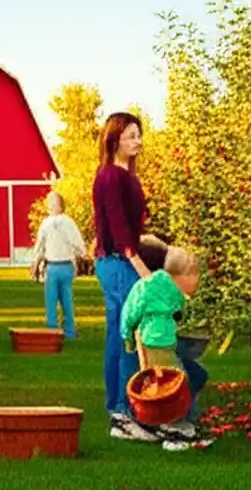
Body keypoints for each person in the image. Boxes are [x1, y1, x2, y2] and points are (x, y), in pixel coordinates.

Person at [92, 111, 160, 442]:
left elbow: (132, 226)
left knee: (119, 336)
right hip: (119, 263)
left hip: (121, 260)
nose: (138, 141)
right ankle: (123, 413)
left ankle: (119, 409)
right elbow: (119, 228)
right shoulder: (109, 176)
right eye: (131, 135)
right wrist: (142, 269)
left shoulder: (126, 176)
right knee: (127, 337)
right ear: (114, 139)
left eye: (139, 135)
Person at [120, 246, 204, 443]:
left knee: (160, 379)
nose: (196, 283)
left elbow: (130, 312)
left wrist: (128, 336)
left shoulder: (146, 285)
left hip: (149, 339)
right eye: (195, 277)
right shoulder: (172, 292)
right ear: (183, 275)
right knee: (168, 383)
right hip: (160, 340)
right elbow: (180, 312)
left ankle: (162, 420)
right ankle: (168, 424)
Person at [33, 192, 87, 338]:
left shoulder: (46, 223)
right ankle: (69, 330)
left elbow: (39, 246)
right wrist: (83, 253)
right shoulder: (68, 222)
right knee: (67, 299)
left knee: (51, 301)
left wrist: (35, 263)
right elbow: (76, 241)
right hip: (66, 265)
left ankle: (52, 330)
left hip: (52, 266)